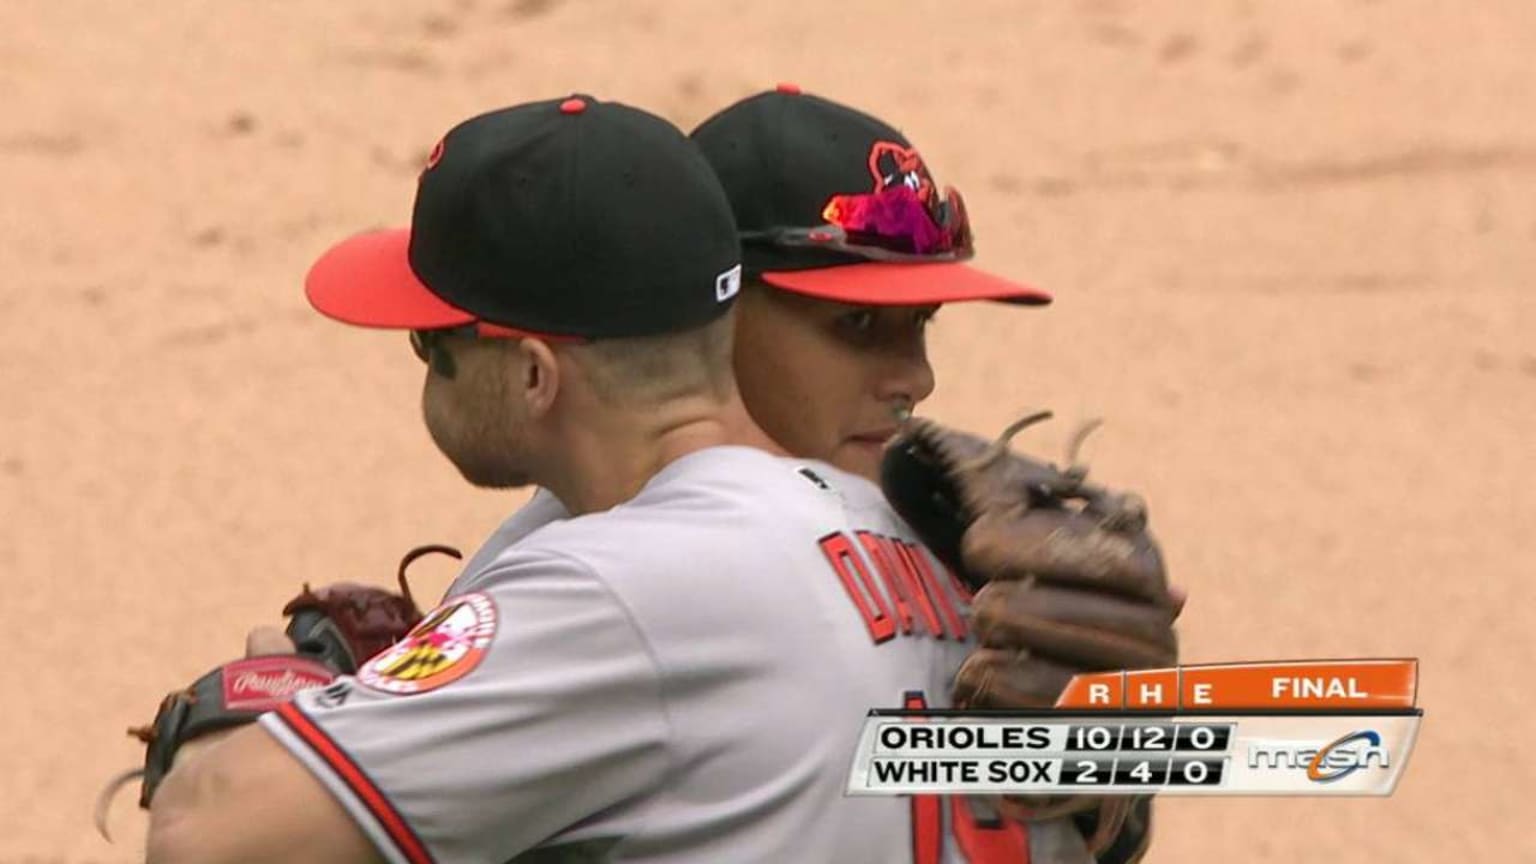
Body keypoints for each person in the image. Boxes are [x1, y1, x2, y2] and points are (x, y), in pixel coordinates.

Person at [143, 94, 1007, 864]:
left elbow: (206, 836)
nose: (915, 380)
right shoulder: (924, 540)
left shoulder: (617, 587)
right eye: (860, 324)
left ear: (532, 375)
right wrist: (1106, 746)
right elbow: (866, 762)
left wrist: (278, 694)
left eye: (432, 349)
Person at [449, 87, 1166, 862]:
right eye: (856, 325)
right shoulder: (581, 558)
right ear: (712, 313)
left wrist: (1112, 768)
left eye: (919, 324)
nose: (915, 378)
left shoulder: (966, 545)